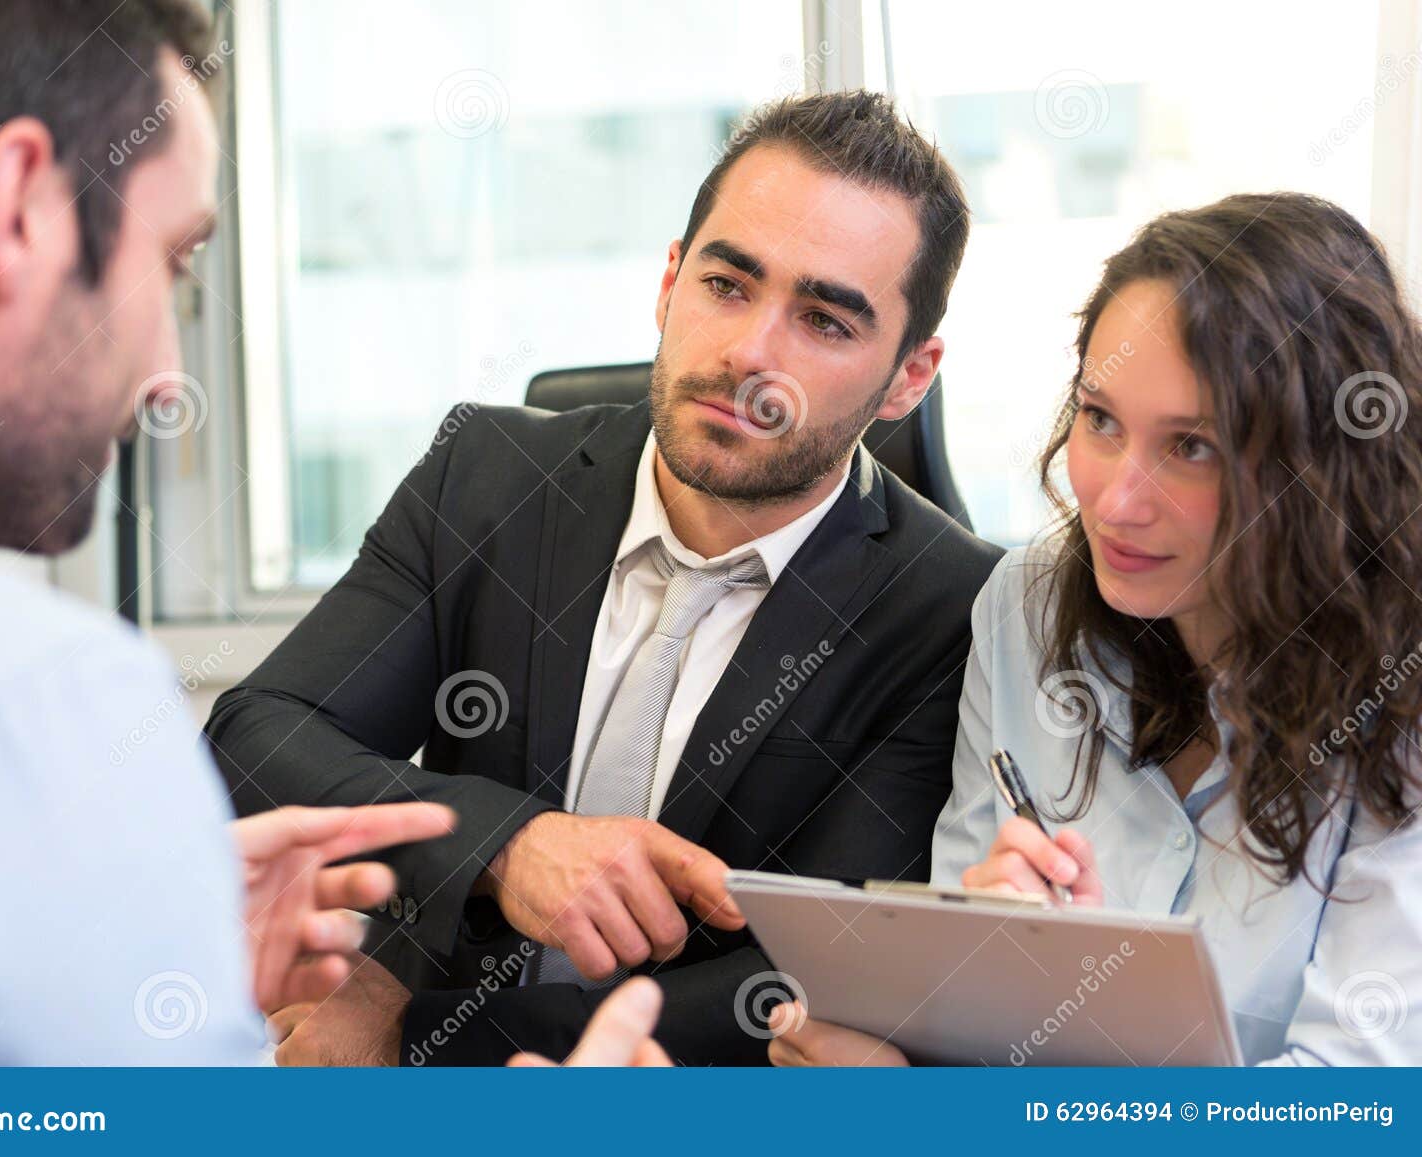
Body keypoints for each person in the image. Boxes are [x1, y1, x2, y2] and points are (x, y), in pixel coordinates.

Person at [0, 0, 660, 1069]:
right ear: (21, 203)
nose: (168, 376)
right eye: (173, 262)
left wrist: (145, 973)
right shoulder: (34, 699)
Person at [207, 90, 1003, 1067]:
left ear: (910, 376)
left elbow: (825, 974)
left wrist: (413, 1035)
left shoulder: (952, 609)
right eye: (727, 284)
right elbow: (255, 743)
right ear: (669, 282)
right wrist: (506, 844)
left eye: (824, 321)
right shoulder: (487, 476)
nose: (751, 353)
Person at [765, 192, 1422, 1067]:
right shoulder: (1028, 605)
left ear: (1324, 466)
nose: (1115, 500)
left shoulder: (1398, 697)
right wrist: (941, 1021)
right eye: (1100, 418)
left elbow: (1355, 1105)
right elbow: (957, 1011)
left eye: (1192, 446)